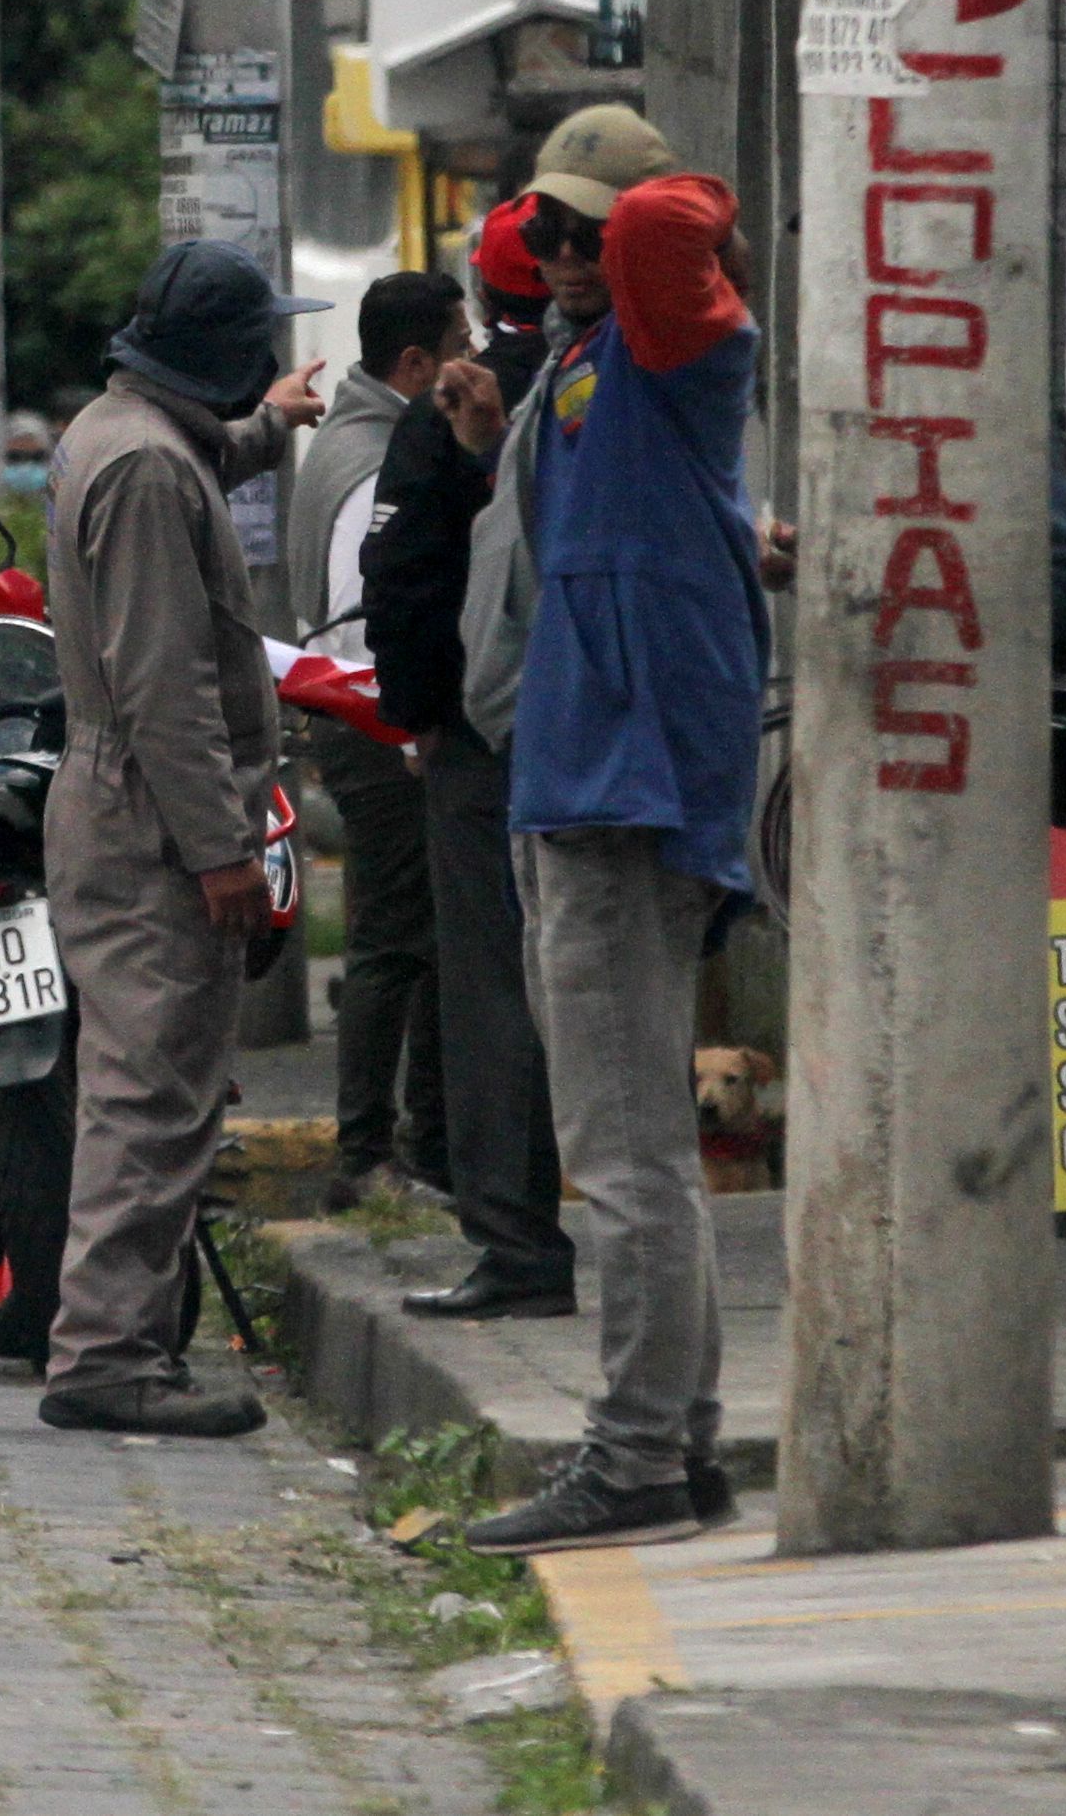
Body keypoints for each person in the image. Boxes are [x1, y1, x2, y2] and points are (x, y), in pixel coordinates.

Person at [455, 104, 758, 1554]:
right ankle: (676, 1449)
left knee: (627, 1153)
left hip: (626, 789)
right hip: (578, 775)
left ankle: (634, 1454)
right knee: (637, 1148)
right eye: (549, 228)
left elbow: (668, 223)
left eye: (587, 226)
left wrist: (621, 197)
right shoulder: (584, 358)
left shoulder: (679, 334)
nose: (566, 249)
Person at [37, 241, 329, 1436]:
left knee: (143, 1084)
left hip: (123, 801)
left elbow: (197, 460)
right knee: (150, 1092)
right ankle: (108, 1355)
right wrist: (221, 852)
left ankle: (120, 1339)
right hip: (151, 816)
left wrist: (267, 426)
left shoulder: (120, 432)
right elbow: (164, 686)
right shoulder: (151, 472)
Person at [364, 196, 575, 1322]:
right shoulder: (612, 386)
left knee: (493, 990)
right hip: (611, 731)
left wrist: (420, 716)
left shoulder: (461, 403)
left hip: (488, 745)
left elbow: (398, 582)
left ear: (485, 303)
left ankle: (518, 1240)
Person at [288, 271, 469, 1208]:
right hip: (375, 718)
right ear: (415, 362)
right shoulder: (378, 454)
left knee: (413, 934)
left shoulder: (353, 436)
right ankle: (372, 1156)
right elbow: (370, 613)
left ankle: (415, 1150)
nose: (474, 365)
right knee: (400, 939)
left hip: (366, 713)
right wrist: (406, 725)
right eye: (461, 347)